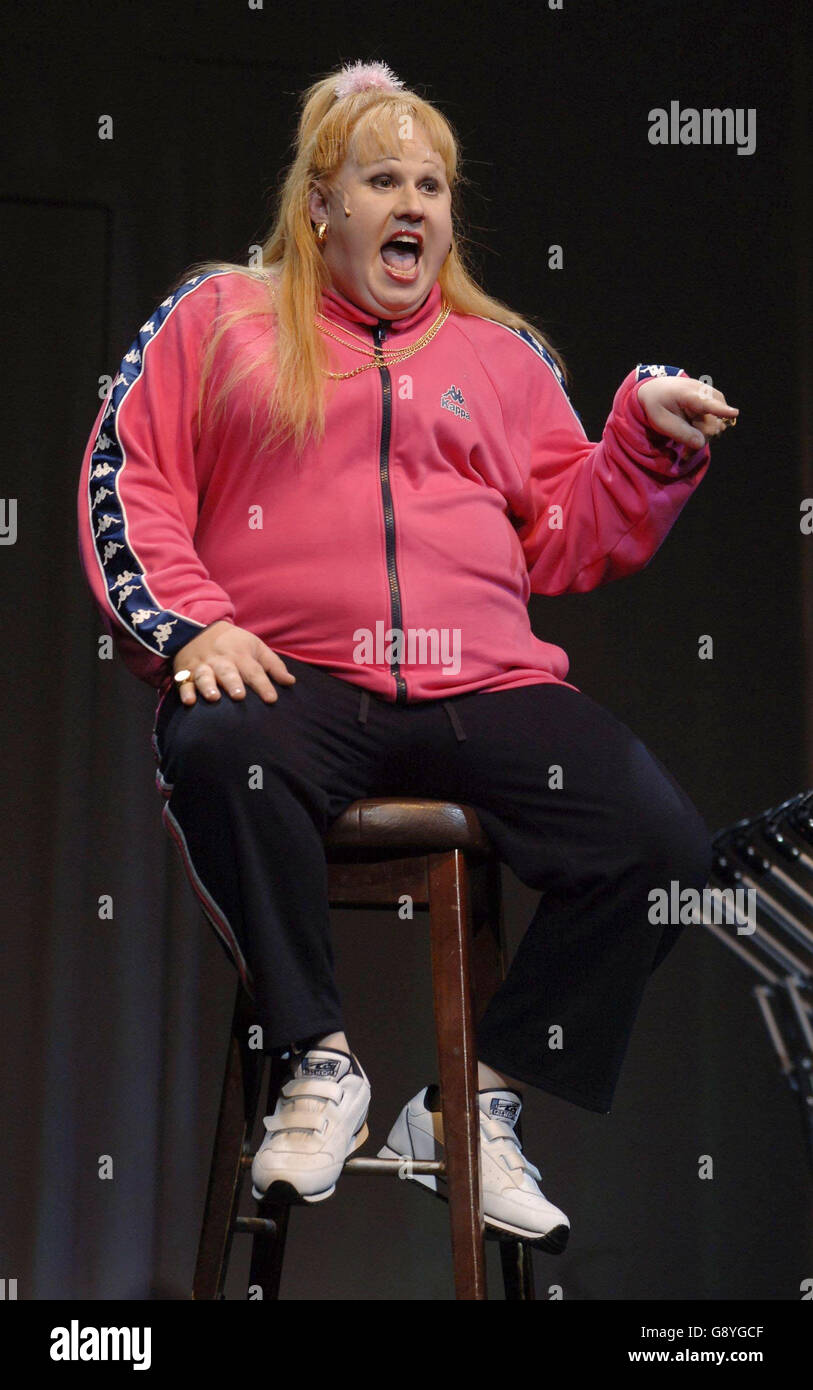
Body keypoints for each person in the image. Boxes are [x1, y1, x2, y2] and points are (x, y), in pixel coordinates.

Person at [77, 59, 738, 1252]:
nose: (417, 205)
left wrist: (643, 439)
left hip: (479, 684)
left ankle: (474, 1105)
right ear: (321, 203)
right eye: (385, 178)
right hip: (299, 677)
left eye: (433, 183)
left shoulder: (500, 355)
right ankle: (317, 1064)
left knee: (665, 846)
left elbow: (572, 534)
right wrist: (189, 625)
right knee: (220, 742)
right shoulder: (220, 317)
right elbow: (131, 477)